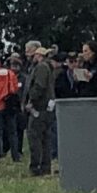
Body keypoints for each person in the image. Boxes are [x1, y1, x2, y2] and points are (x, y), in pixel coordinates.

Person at [22, 41, 59, 175]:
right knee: (45, 138)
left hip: (39, 107)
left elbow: (39, 86)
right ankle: (45, 167)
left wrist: (31, 101)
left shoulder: (41, 67)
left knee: (35, 136)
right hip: (46, 107)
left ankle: (36, 167)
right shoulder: (47, 67)